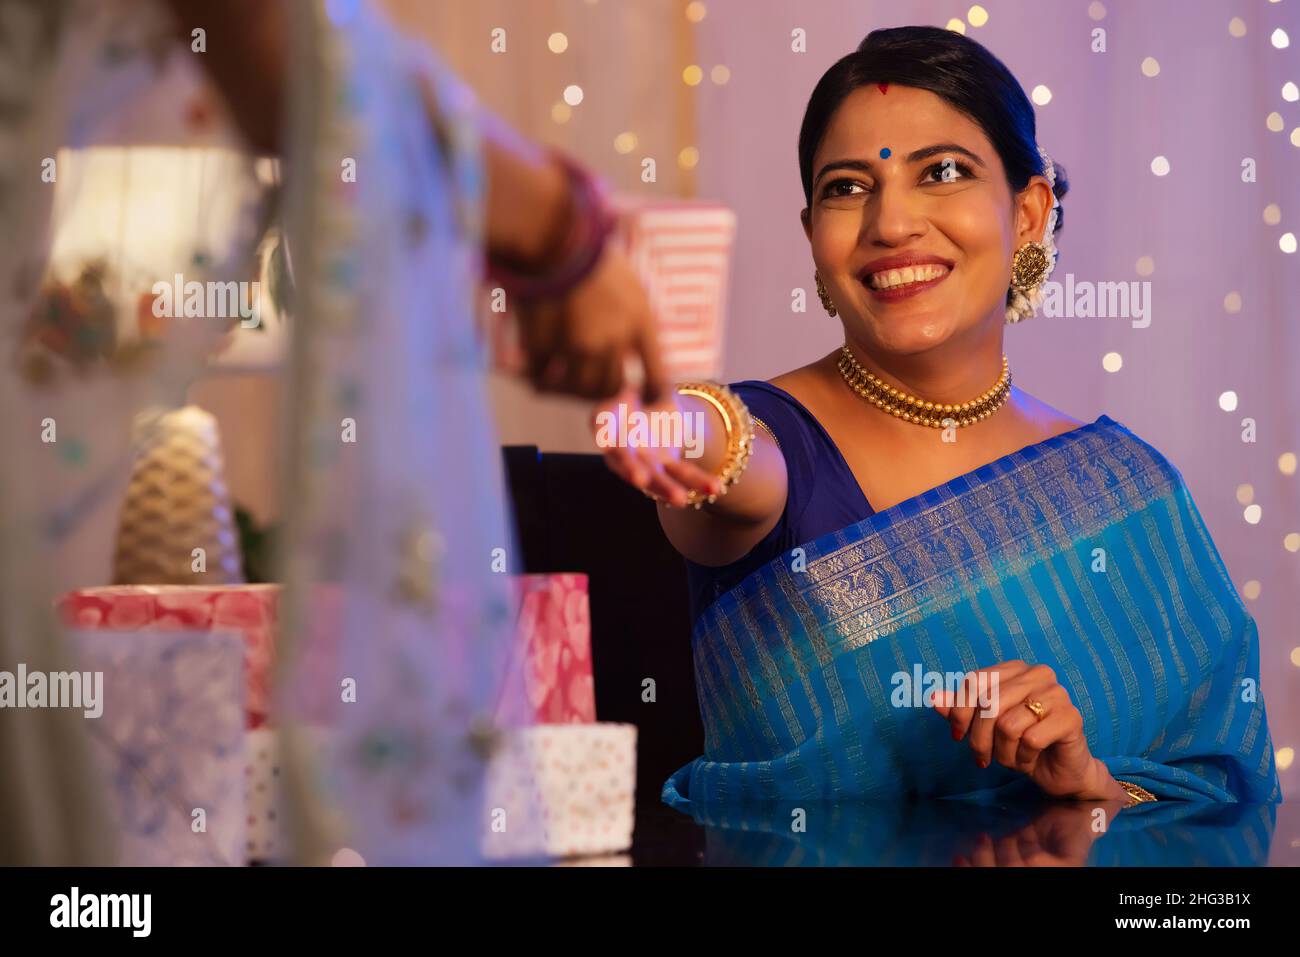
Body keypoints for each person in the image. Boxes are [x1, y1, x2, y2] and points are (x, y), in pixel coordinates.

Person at [598, 26, 1282, 812]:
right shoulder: (774, 443)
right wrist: (652, 416)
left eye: (944, 172)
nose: (890, 224)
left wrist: (1090, 783)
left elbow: (1224, 802)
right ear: (812, 236)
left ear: (1029, 213)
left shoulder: (1125, 487)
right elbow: (715, 451)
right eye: (847, 187)